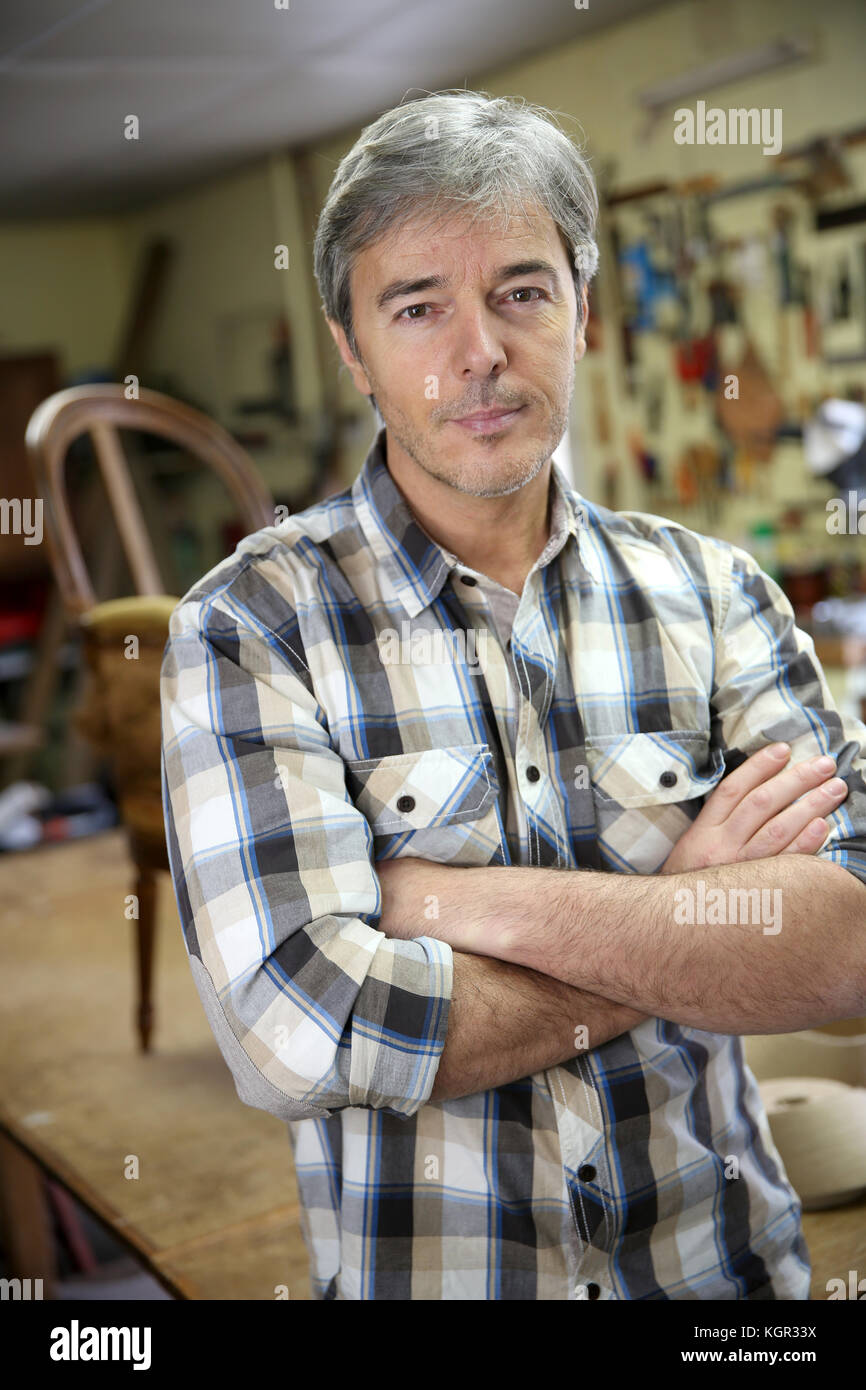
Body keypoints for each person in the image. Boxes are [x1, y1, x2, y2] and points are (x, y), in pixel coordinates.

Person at [159, 90, 866, 1301]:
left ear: (582, 312)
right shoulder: (246, 628)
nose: (476, 350)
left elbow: (845, 956)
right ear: (348, 344)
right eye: (417, 305)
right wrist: (685, 905)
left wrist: (437, 904)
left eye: (520, 292)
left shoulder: (714, 593)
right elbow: (304, 1032)